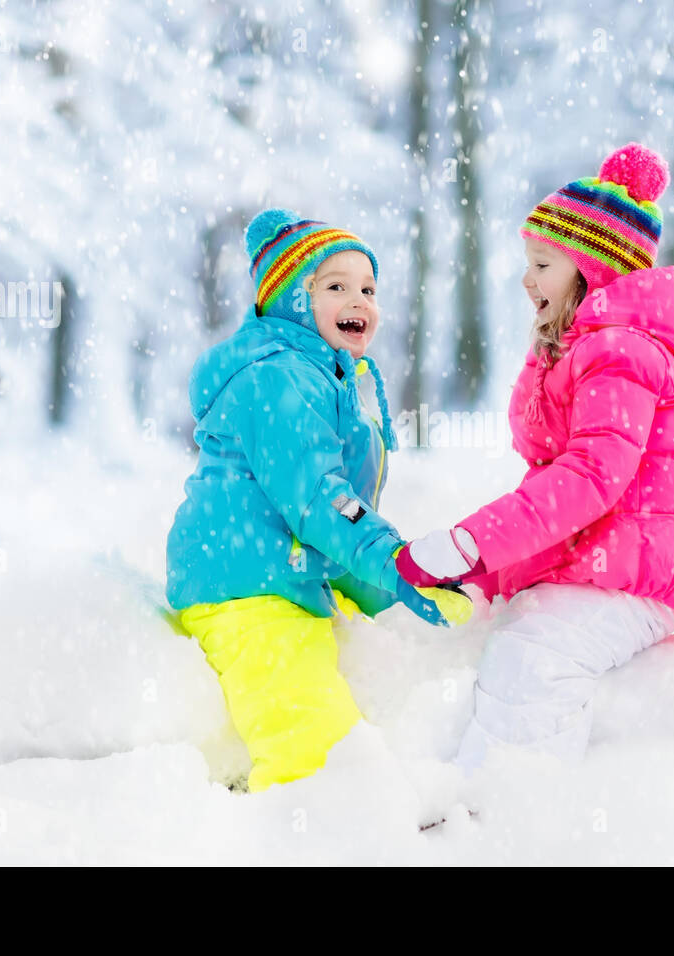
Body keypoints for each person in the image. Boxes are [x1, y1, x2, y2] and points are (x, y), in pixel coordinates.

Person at [397, 144, 674, 771]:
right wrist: (487, 574)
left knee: (535, 655)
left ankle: (507, 818)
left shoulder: (621, 352)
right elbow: (566, 499)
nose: (526, 279)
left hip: (641, 573)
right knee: (507, 631)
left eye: (542, 263)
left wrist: (474, 542)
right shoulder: (587, 348)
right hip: (607, 562)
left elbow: (587, 482)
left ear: (590, 271)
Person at [166, 208, 467, 792]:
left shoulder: (322, 376)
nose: (358, 300)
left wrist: (397, 584)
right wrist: (390, 558)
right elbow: (319, 501)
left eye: (367, 288)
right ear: (294, 303)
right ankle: (310, 830)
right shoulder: (276, 379)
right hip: (241, 586)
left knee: (403, 628)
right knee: (314, 746)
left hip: (285, 568)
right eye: (335, 287)